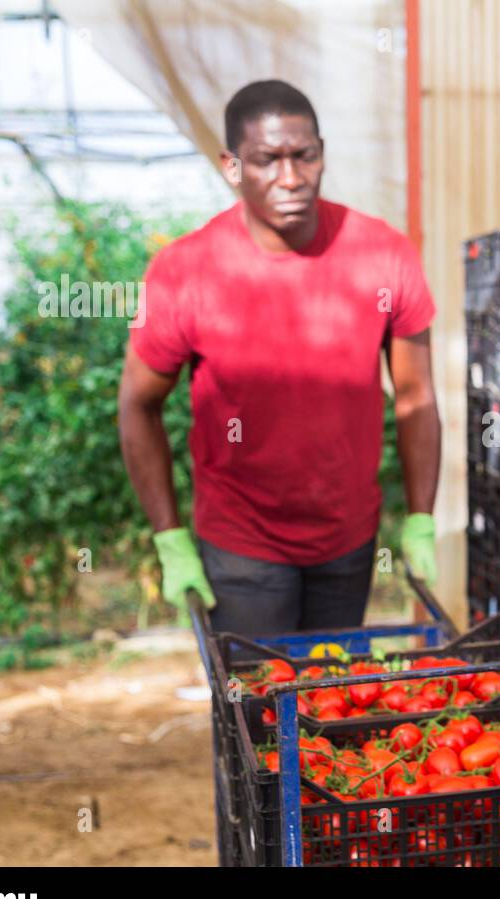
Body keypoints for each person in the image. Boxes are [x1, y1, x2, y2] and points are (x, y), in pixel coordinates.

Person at [119, 79, 442, 642]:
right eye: (267, 160)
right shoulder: (185, 271)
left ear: (322, 153)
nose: (290, 178)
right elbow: (137, 406)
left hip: (347, 538)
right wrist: (169, 538)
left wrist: (419, 517)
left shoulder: (383, 255)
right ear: (233, 166)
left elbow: (415, 396)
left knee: (327, 709)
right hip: (242, 544)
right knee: (255, 715)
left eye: (304, 156)